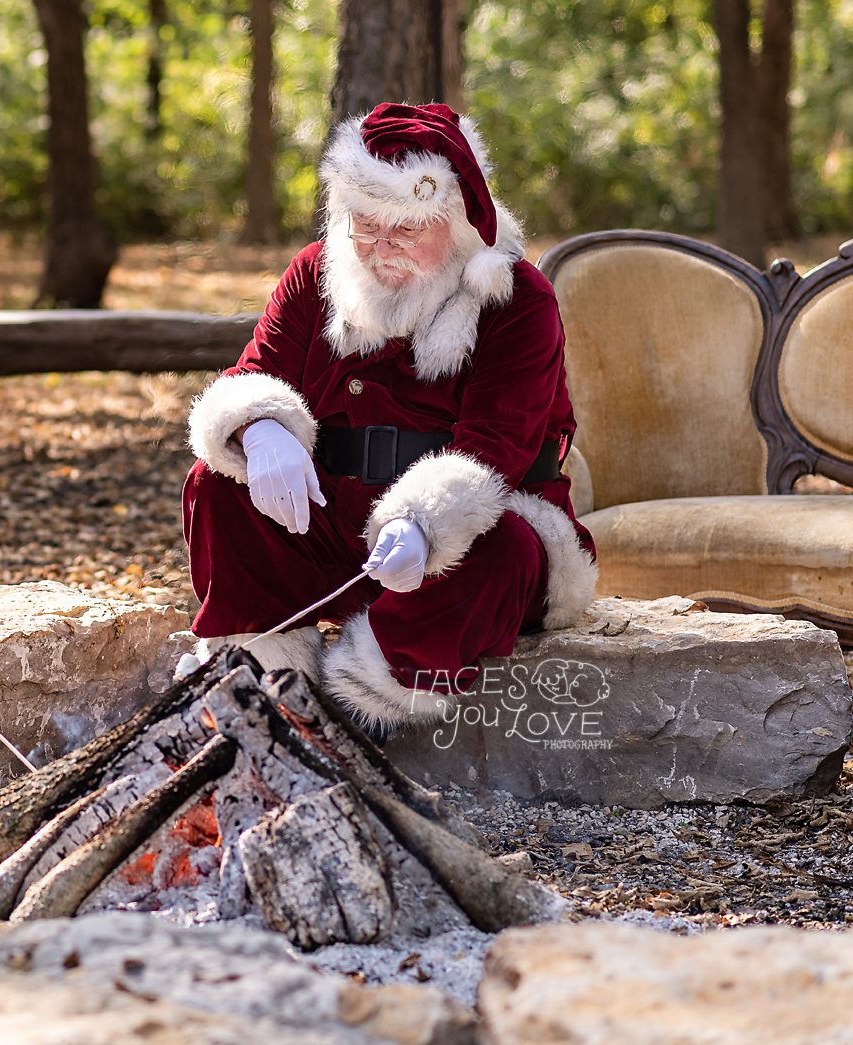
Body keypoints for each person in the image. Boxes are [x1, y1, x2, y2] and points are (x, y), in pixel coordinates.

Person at [181, 102, 598, 735]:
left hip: (467, 530)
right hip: (334, 519)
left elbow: (497, 448)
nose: (381, 248)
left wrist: (427, 522)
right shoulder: (314, 273)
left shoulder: (517, 298)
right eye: (364, 226)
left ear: (455, 222)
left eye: (403, 230)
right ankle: (264, 670)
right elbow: (251, 376)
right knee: (217, 488)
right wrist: (260, 429)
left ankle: (362, 700)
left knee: (503, 549)